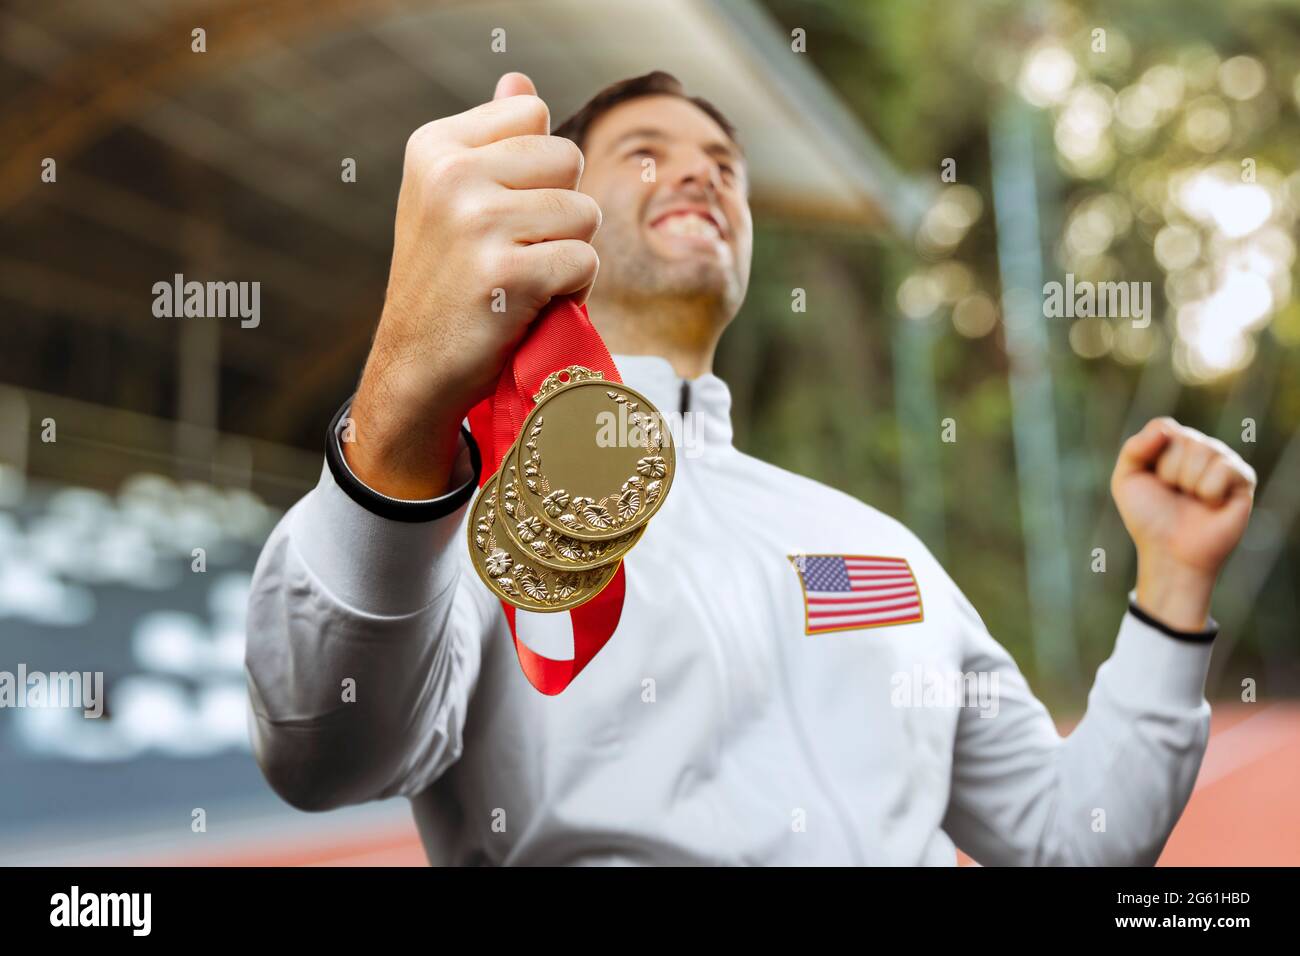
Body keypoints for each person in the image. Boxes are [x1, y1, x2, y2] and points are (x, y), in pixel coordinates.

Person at [245, 71, 1256, 865]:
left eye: (726, 164)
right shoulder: (452, 511)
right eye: (644, 153)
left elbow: (1070, 838)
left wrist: (1171, 586)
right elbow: (324, 753)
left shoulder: (878, 546)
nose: (702, 175)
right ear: (555, 207)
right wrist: (395, 415)